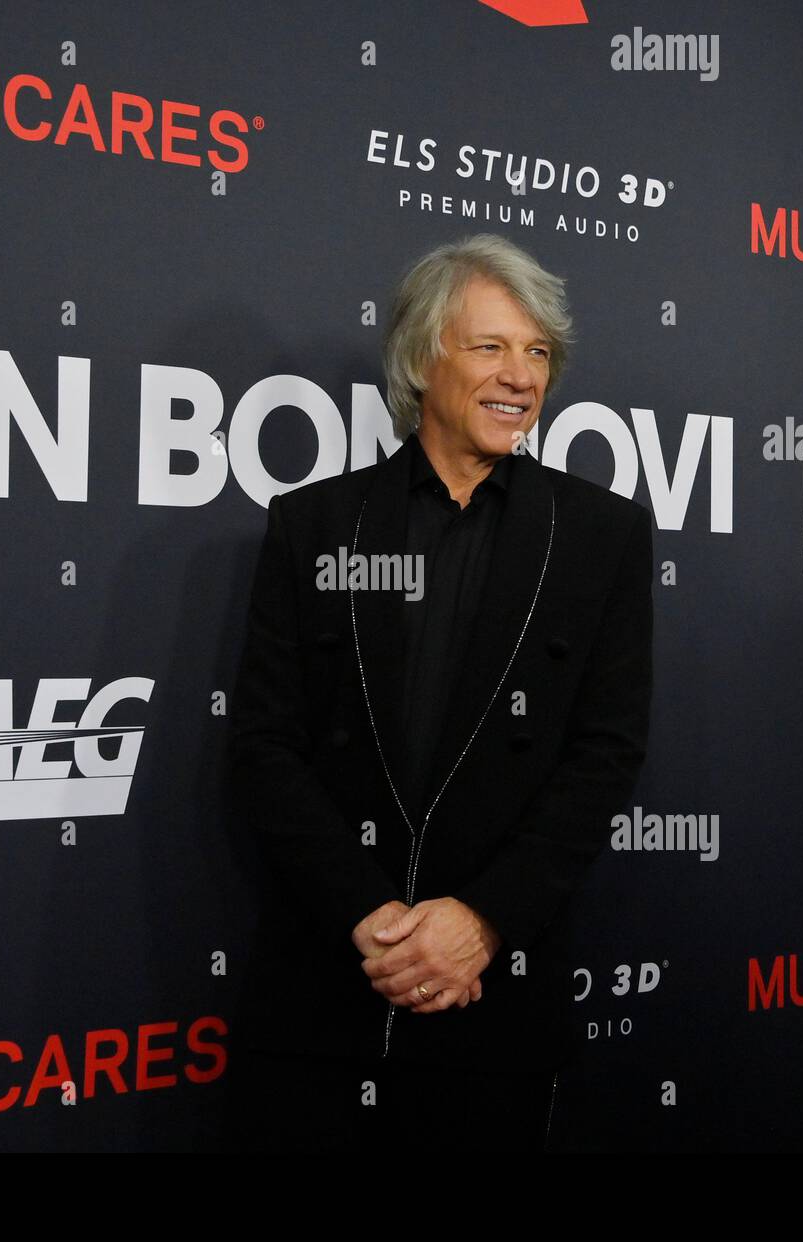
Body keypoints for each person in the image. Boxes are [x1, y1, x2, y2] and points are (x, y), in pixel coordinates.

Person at [223, 233, 653, 1152]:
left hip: (493, 1007)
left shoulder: (601, 537)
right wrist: (369, 920)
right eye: (490, 346)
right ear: (422, 358)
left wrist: (483, 922)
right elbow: (264, 745)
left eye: (537, 352)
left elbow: (604, 756)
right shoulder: (316, 525)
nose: (521, 377)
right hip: (325, 996)